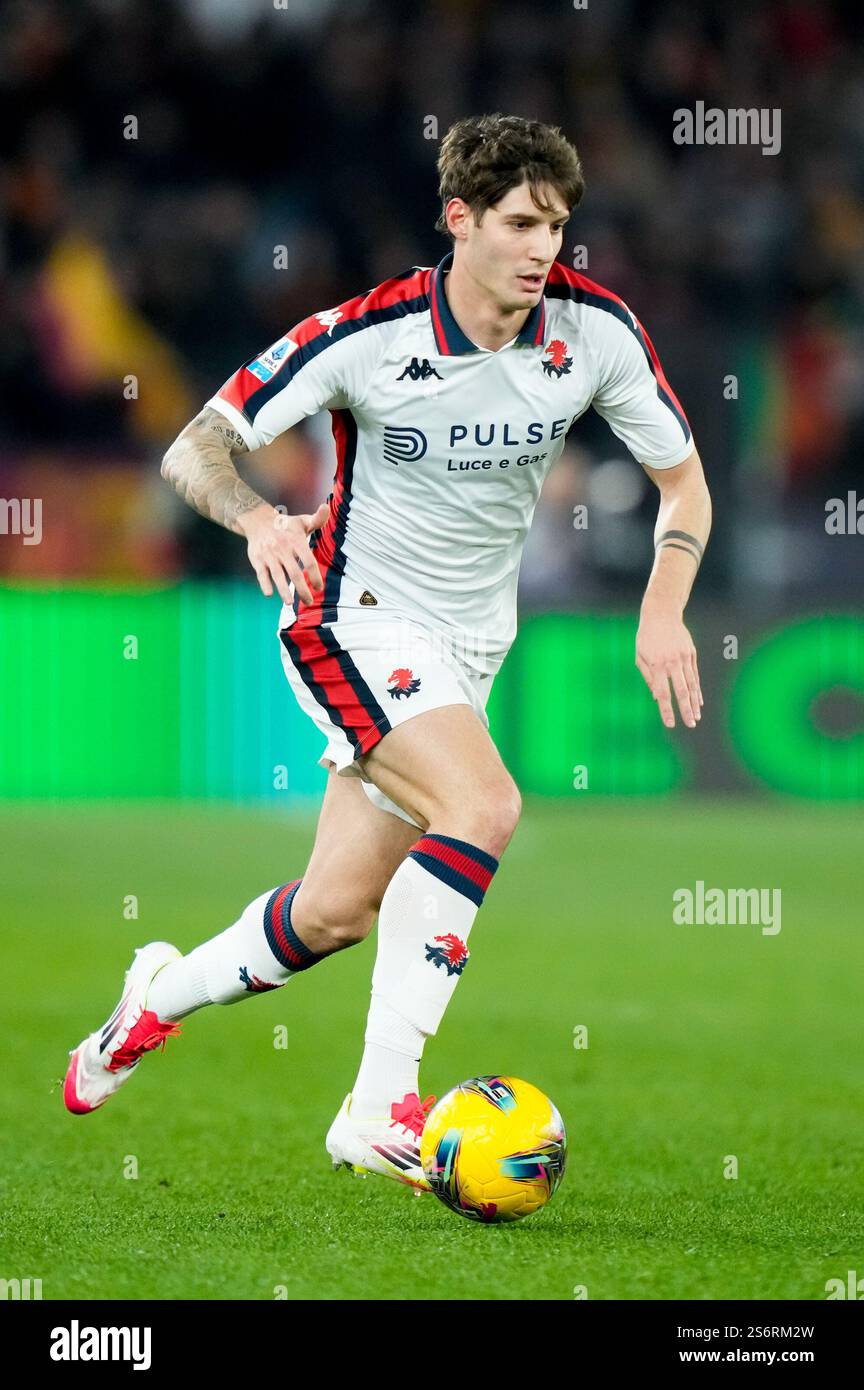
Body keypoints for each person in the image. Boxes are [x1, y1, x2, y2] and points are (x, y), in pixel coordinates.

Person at [63, 113, 710, 1192]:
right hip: (349, 616)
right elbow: (198, 445)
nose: (542, 246)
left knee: (332, 912)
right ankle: (377, 1107)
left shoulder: (594, 334)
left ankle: (154, 998)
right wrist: (261, 521)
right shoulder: (365, 336)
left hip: (468, 649)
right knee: (485, 807)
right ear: (459, 220)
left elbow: (682, 484)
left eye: (556, 224)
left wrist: (662, 606)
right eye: (517, 222)